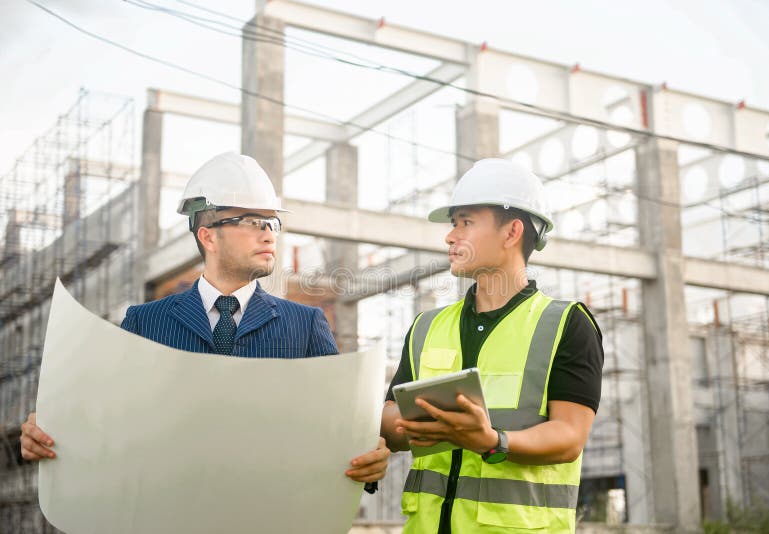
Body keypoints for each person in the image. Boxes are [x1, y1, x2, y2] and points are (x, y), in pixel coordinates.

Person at [21, 152, 389, 486]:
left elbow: (341, 429)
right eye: (251, 221)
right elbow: (108, 421)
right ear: (208, 236)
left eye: (272, 223)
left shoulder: (305, 325)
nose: (268, 233)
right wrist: (51, 435)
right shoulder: (145, 323)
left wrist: (369, 458)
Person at [381, 158, 604, 533]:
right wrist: (410, 426)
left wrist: (493, 441)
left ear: (512, 231)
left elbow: (569, 436)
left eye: (466, 222)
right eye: (453, 225)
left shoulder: (566, 324)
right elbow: (388, 416)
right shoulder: (426, 327)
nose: (450, 237)